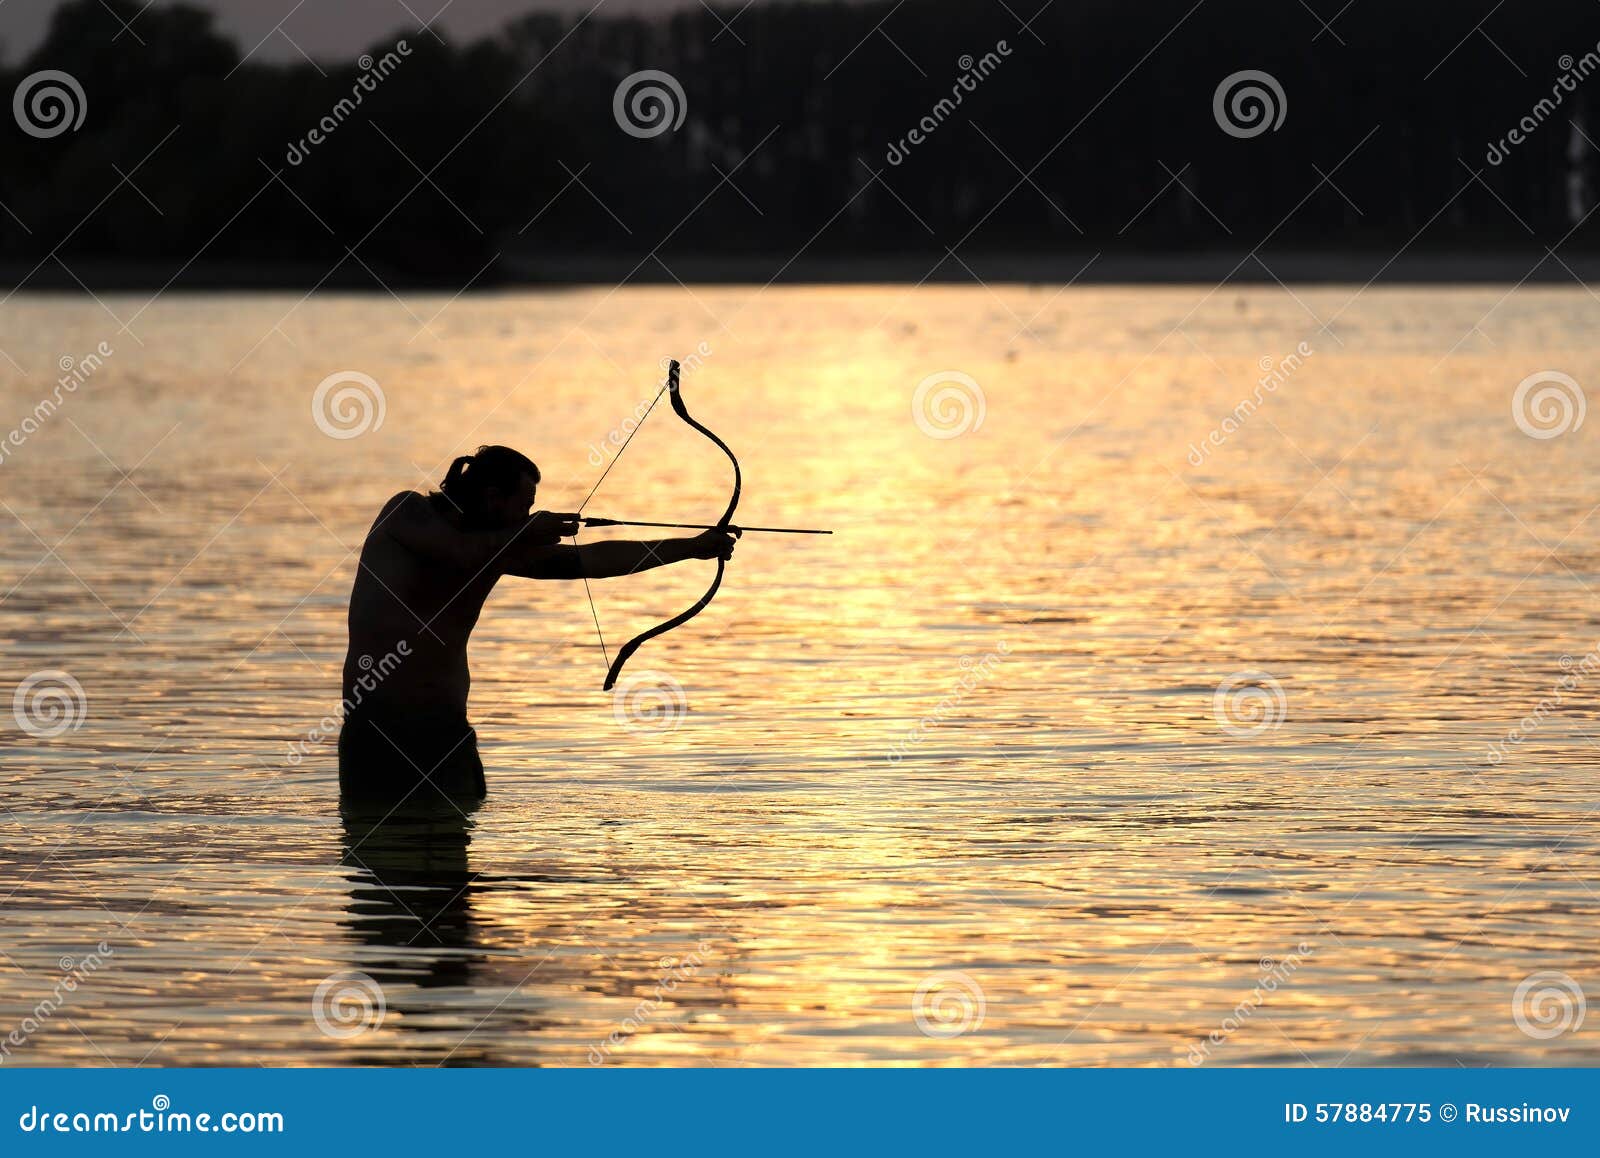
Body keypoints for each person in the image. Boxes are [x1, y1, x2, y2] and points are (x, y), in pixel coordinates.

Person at [338, 445, 736, 801]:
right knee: (381, 865)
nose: (528, 514)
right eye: (524, 504)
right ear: (493, 497)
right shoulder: (407, 513)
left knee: (453, 874)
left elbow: (591, 561)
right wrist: (526, 532)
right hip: (379, 731)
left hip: (446, 732)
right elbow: (457, 552)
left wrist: (693, 547)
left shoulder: (498, 546)